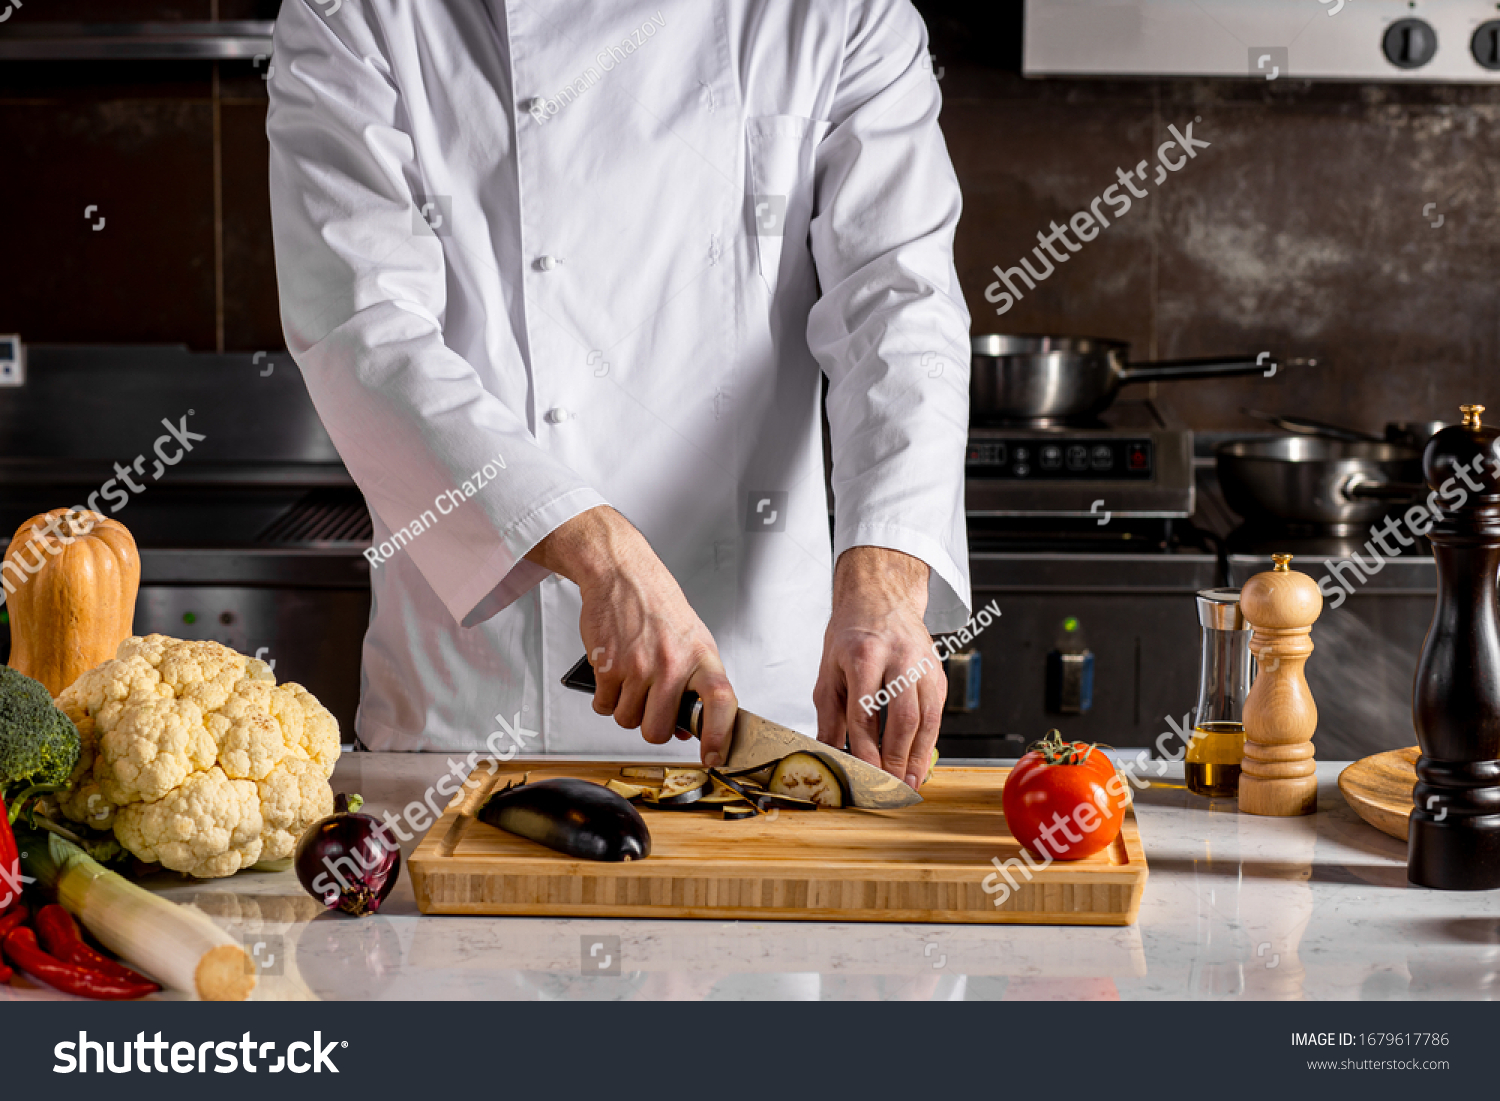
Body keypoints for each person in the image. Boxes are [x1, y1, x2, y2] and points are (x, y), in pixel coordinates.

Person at [267, 0, 971, 788]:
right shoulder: (357, 13)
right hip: (479, 712)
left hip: (760, 700)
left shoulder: (845, 11)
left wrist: (884, 581)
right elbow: (364, 331)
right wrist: (600, 553)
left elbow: (901, 310)